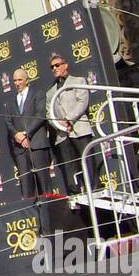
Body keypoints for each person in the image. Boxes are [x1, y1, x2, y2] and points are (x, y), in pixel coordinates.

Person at [45, 53, 93, 195]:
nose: (54, 68)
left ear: (65, 65)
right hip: (62, 134)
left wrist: (68, 119)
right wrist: (59, 125)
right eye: (52, 67)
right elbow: (49, 114)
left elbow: (82, 102)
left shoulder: (78, 81)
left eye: (57, 65)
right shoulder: (50, 93)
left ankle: (93, 188)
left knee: (87, 160)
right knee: (69, 166)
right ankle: (75, 192)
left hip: (79, 128)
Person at [5, 67, 52, 198]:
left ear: (27, 80)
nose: (17, 83)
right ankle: (30, 214)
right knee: (26, 186)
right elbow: (8, 122)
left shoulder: (38, 93)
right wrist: (16, 135)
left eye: (20, 80)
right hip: (20, 148)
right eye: (15, 80)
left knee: (44, 182)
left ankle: (50, 208)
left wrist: (26, 134)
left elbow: (40, 115)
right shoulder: (10, 102)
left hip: (37, 144)